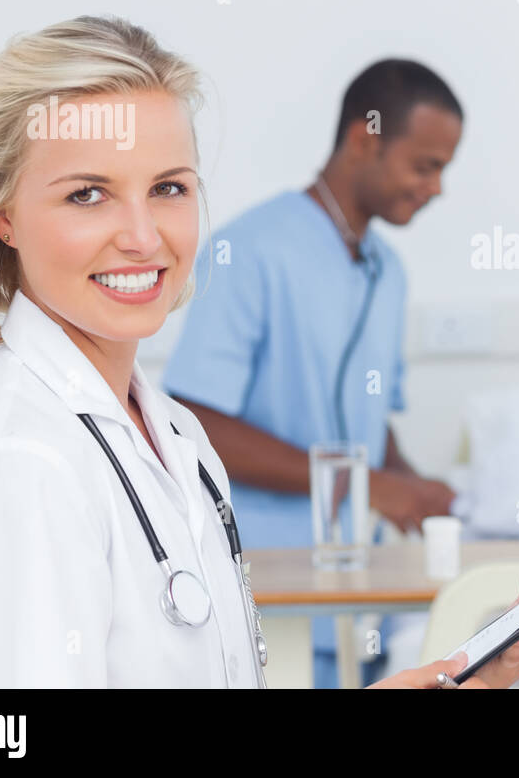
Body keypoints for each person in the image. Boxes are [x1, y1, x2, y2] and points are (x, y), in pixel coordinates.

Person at [0, 16, 519, 687]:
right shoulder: (22, 465)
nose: (144, 237)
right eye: (88, 194)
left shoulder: (176, 439)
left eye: (168, 188)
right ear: (4, 215)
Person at [162, 59, 463, 686]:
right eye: (425, 165)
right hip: (268, 590)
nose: (436, 188)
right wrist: (366, 484)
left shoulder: (386, 271)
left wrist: (415, 488)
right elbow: (194, 424)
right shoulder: (247, 251)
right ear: (364, 140)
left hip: (359, 595)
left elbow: (369, 423)